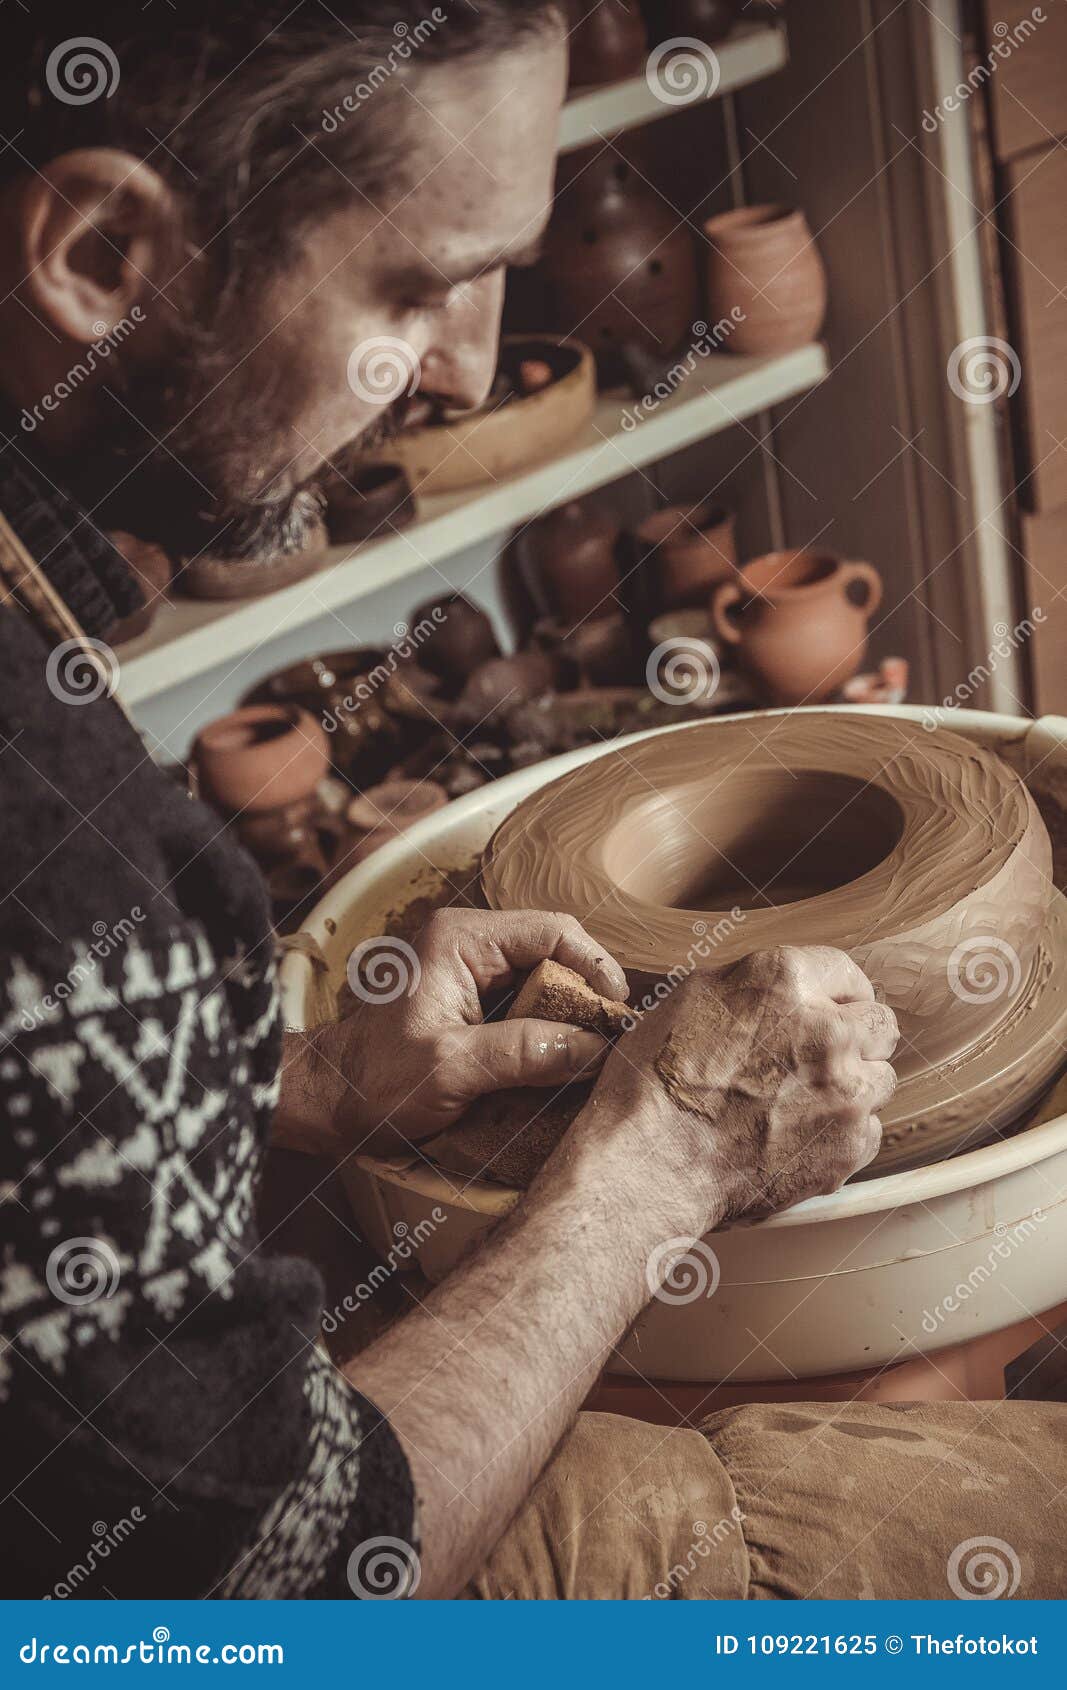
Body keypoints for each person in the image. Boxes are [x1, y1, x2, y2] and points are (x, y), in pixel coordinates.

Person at [0, 3, 1063, 1602]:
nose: (473, 370)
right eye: (420, 285)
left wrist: (298, 1081)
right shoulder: (44, 829)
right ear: (99, 256)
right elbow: (264, 1604)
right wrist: (662, 1161)